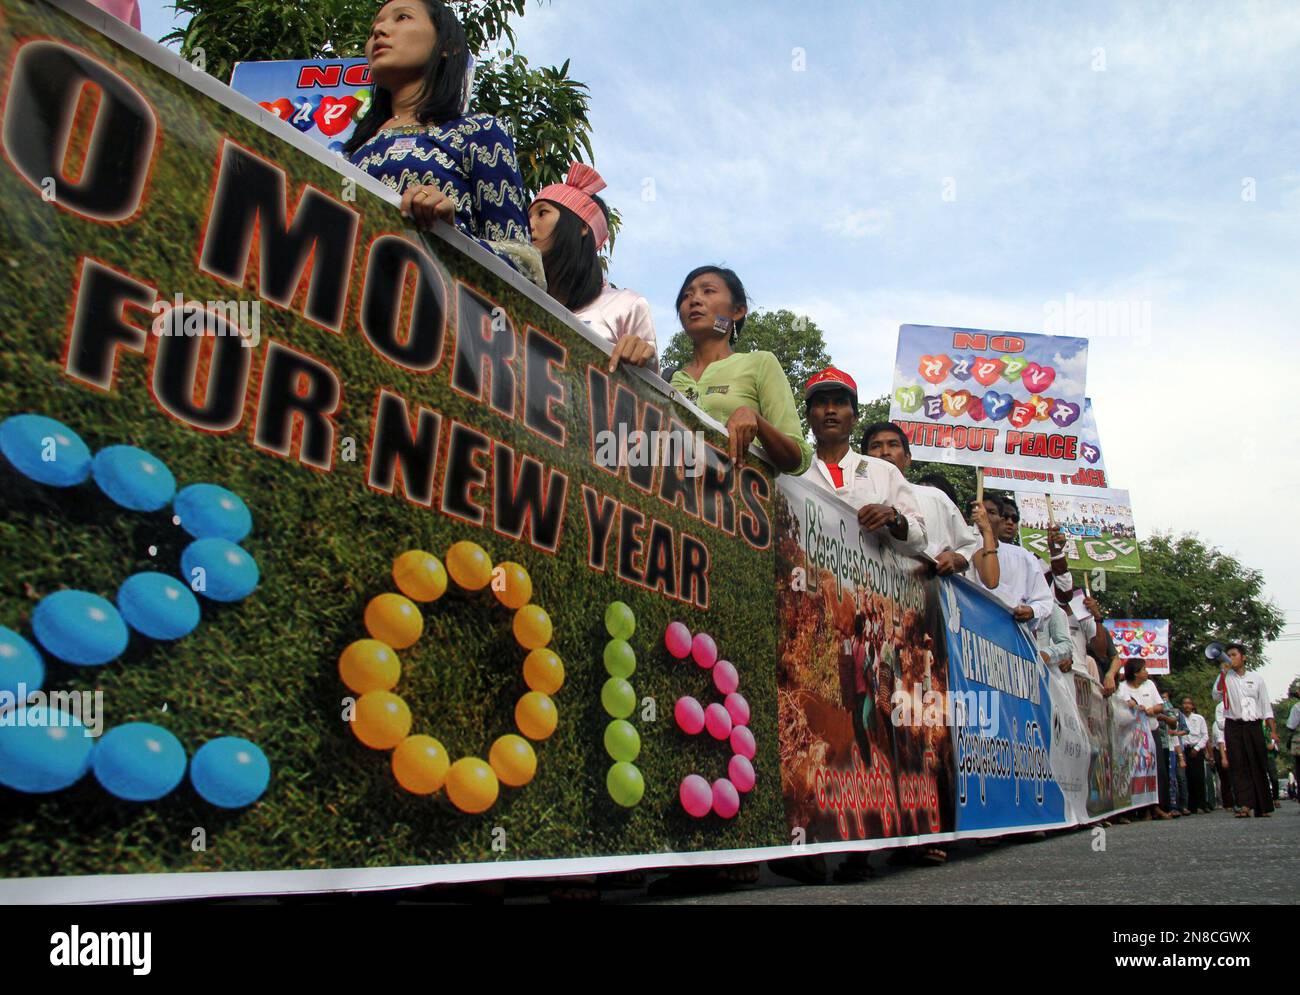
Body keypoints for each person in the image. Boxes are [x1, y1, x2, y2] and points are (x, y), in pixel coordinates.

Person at [346, 0, 542, 283]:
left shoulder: (479, 132)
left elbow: (526, 267)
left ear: (448, 46)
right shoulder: (358, 152)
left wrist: (450, 236)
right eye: (373, 26)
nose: (379, 30)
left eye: (402, 17)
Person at [669, 268, 811, 474]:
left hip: (739, 502)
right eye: (686, 296)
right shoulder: (668, 380)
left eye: (708, 291)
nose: (695, 300)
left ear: (737, 311)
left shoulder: (760, 363)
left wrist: (755, 420)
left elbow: (797, 459)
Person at [528, 164, 659, 373]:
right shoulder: (519, 295)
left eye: (542, 213)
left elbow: (650, 399)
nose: (530, 225)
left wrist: (644, 358)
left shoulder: (627, 307)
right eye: (528, 216)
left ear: (581, 226)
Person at [861, 423, 999, 585]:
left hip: (926, 600)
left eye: (893, 445)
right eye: (876, 446)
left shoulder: (936, 499)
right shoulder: (849, 495)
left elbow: (968, 548)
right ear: (864, 459)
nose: (884, 452)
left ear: (907, 459)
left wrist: (954, 559)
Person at [799, 390, 925, 556]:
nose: (830, 410)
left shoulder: (884, 472)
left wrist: (895, 518)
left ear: (855, 417)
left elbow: (920, 540)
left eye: (840, 402)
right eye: (821, 402)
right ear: (808, 416)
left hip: (869, 579)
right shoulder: (793, 473)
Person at [1211, 643, 1276, 817]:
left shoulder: (1257, 679)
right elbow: (1216, 695)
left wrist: (1272, 732)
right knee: (1238, 765)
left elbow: (1265, 706)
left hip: (1253, 725)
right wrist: (1223, 673)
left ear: (1243, 657)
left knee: (1258, 762)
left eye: (1233, 655)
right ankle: (1244, 805)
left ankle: (1262, 805)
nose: (1230, 658)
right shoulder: (1225, 676)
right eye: (1228, 655)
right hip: (1233, 724)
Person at [971, 496, 1054, 627]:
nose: (983, 517)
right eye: (979, 512)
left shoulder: (1024, 557)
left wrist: (1032, 611)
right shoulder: (959, 550)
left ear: (1000, 519)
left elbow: (1045, 602)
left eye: (991, 513)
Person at [1114, 660, 1173, 819]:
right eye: (1144, 669)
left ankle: (1157, 807)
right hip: (1131, 737)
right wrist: (1133, 706)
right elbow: (1120, 706)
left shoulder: (1150, 685)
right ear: (1135, 673)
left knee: (1156, 769)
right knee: (1134, 770)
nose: (1147, 672)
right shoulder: (1122, 688)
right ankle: (1135, 809)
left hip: (1151, 732)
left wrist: (1152, 709)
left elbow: (1160, 706)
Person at [1181, 697, 1209, 813]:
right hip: (1185, 749)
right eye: (1184, 703)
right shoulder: (1179, 719)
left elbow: (1205, 736)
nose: (1186, 706)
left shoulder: (1199, 718)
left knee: (1199, 777)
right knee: (1188, 777)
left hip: (1197, 749)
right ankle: (1191, 805)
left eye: (1189, 703)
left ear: (1192, 706)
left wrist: (1197, 748)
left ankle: (1201, 804)